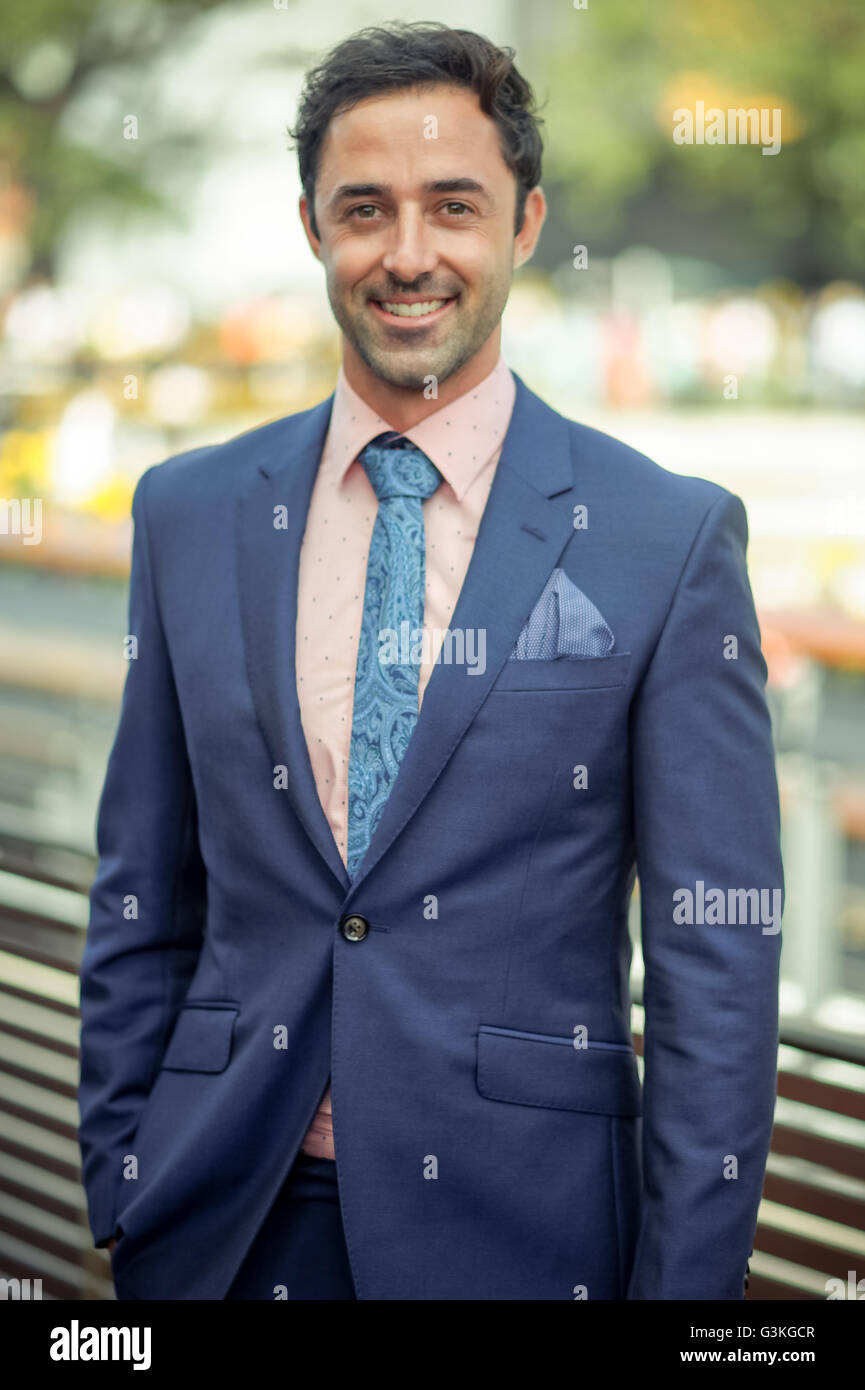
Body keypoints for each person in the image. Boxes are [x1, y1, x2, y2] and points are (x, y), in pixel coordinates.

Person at [78, 21, 783, 1301]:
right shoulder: (186, 513)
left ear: (523, 224)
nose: (408, 256)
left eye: (452, 206)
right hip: (217, 1223)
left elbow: (714, 971)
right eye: (365, 210)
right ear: (311, 228)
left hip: (521, 1236)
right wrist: (121, 1176)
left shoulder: (666, 539)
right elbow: (144, 887)